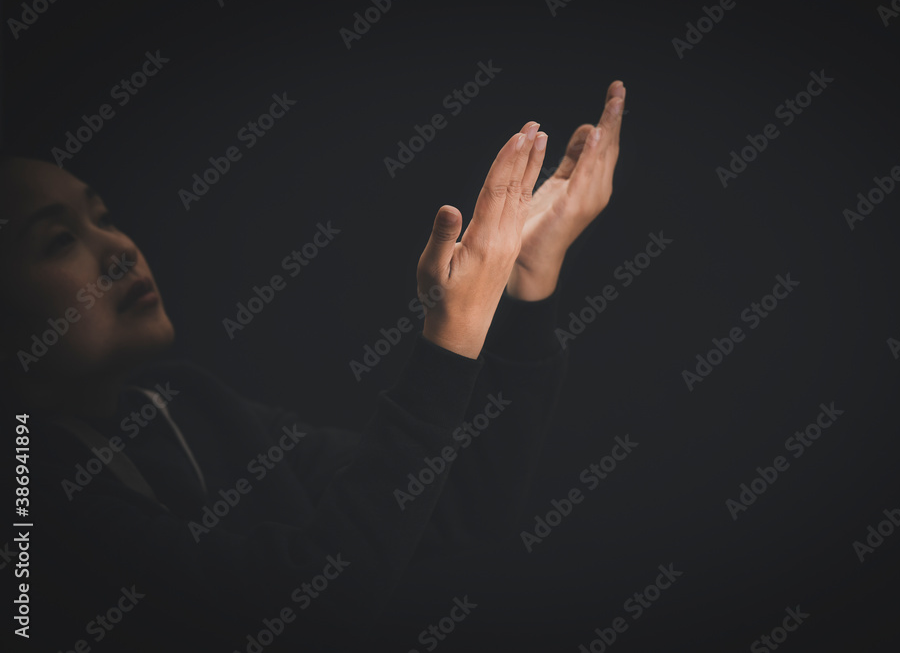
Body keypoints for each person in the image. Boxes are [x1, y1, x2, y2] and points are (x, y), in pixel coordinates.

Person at [0, 80, 625, 651]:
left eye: (103, 217)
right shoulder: (31, 496)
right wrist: (450, 334)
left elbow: (462, 510)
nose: (117, 249)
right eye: (59, 240)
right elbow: (309, 613)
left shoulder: (184, 402)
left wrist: (530, 277)